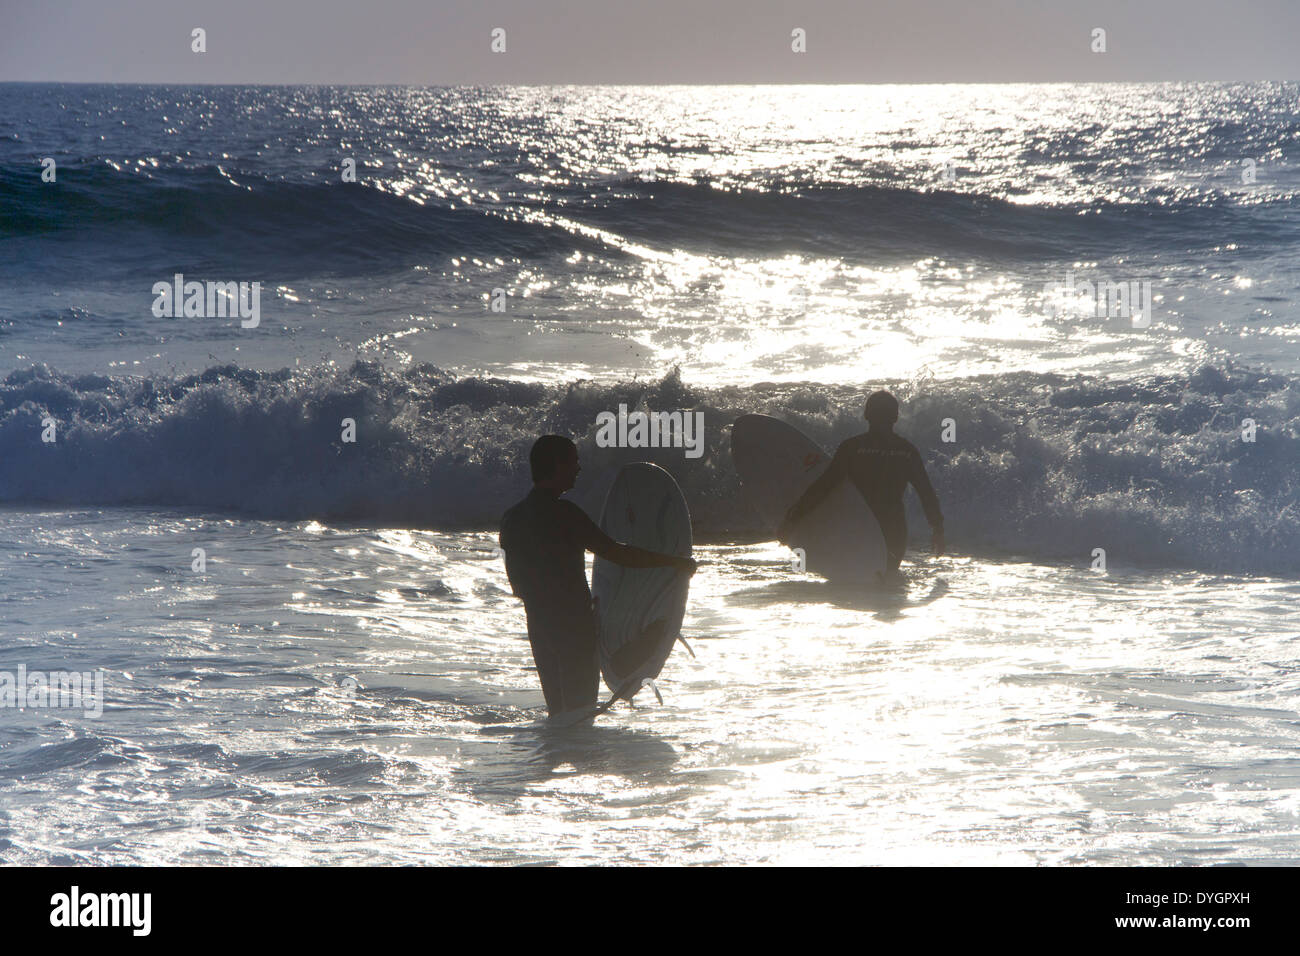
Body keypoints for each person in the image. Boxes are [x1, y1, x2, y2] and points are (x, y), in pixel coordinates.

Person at [499, 436, 697, 719]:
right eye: (573, 461)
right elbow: (617, 554)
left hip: (540, 628)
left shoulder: (512, 518)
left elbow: (517, 584)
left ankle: (549, 761)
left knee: (560, 715)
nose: (578, 468)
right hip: (574, 629)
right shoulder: (564, 514)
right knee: (580, 716)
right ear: (557, 465)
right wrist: (673, 561)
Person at [779, 390, 944, 573]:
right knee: (886, 585)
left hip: (857, 529)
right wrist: (938, 529)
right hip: (893, 532)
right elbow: (926, 493)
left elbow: (824, 488)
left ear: (866, 415)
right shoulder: (907, 451)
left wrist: (793, 519)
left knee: (853, 586)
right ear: (895, 417)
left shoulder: (852, 448)